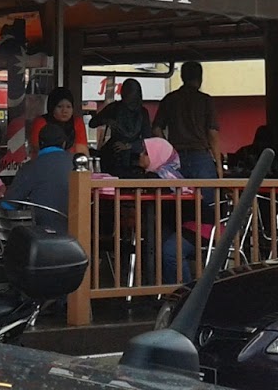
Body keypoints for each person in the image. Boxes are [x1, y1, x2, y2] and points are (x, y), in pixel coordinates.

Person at [154, 61, 222, 206]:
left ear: (182, 77)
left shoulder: (170, 99)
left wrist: (168, 150)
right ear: (200, 78)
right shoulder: (205, 100)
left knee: (178, 203)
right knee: (206, 204)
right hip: (201, 157)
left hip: (176, 157)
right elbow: (212, 133)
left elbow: (156, 128)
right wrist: (218, 164)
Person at [137, 137, 194, 283]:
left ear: (157, 156)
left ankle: (187, 291)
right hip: (176, 225)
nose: (140, 155)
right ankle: (167, 289)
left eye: (146, 153)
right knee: (155, 244)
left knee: (170, 252)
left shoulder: (160, 178)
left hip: (198, 225)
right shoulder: (168, 175)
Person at [4, 121, 72, 232]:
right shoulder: (76, 164)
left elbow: (8, 204)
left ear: (39, 144)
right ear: (64, 144)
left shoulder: (30, 167)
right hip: (79, 234)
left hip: (41, 235)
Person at [89, 79, 153, 178]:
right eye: (126, 92)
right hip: (114, 154)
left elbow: (147, 138)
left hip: (134, 158)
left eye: (131, 93)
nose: (128, 97)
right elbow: (92, 123)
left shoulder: (142, 112)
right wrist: (107, 120)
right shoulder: (114, 107)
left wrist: (129, 146)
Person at [28, 87, 89, 157]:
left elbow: (82, 151)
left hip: (70, 162)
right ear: (52, 107)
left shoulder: (77, 122)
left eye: (68, 107)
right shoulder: (41, 122)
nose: (64, 111)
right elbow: (37, 148)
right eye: (59, 106)